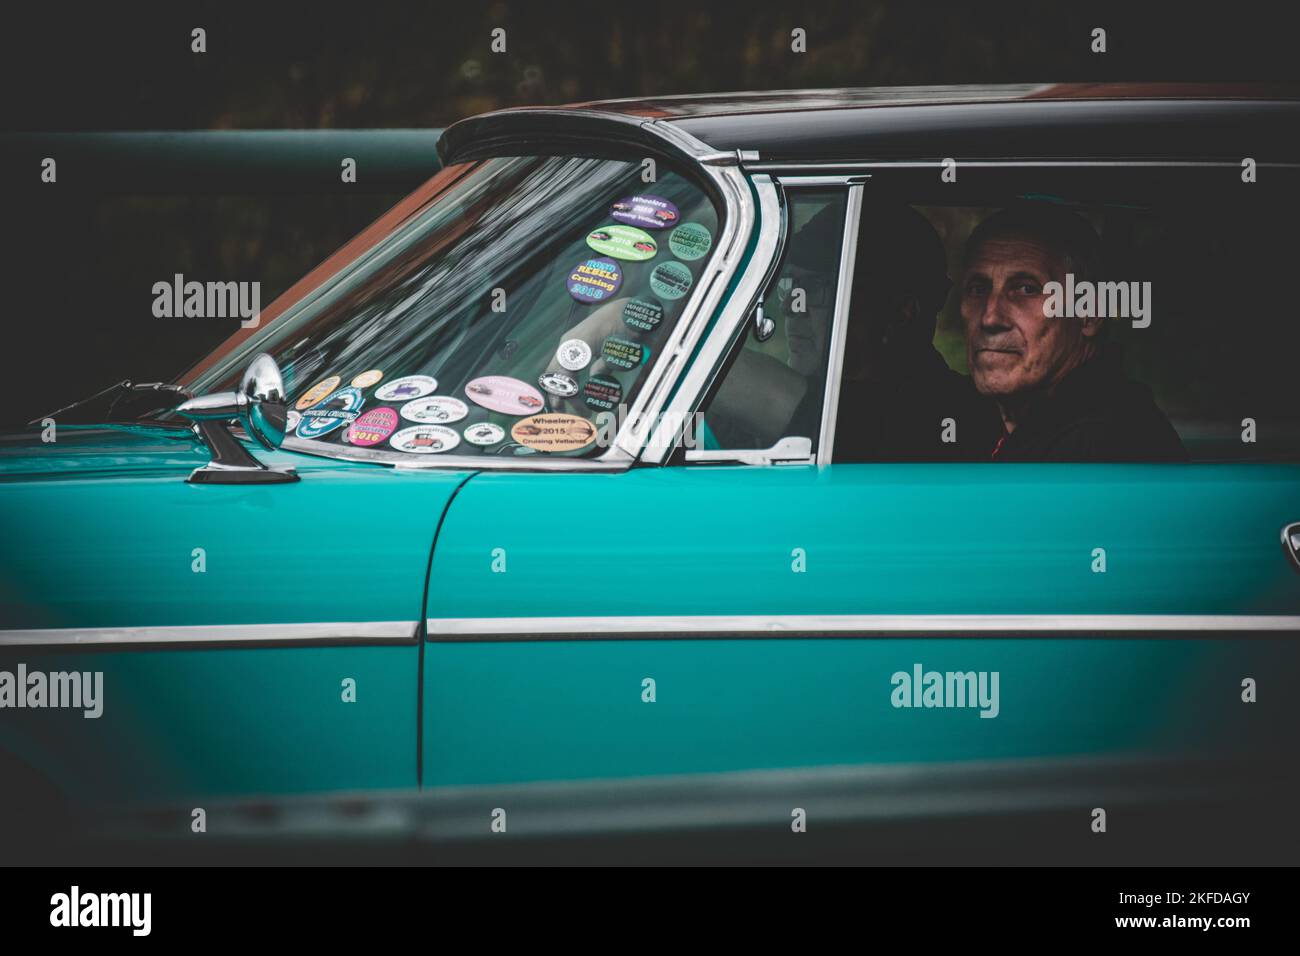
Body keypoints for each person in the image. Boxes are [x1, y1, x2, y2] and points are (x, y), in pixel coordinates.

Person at [959, 204, 1186, 461]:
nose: (990, 318)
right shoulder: (984, 417)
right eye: (978, 290)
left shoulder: (1110, 443)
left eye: (1026, 289)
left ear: (1089, 314)